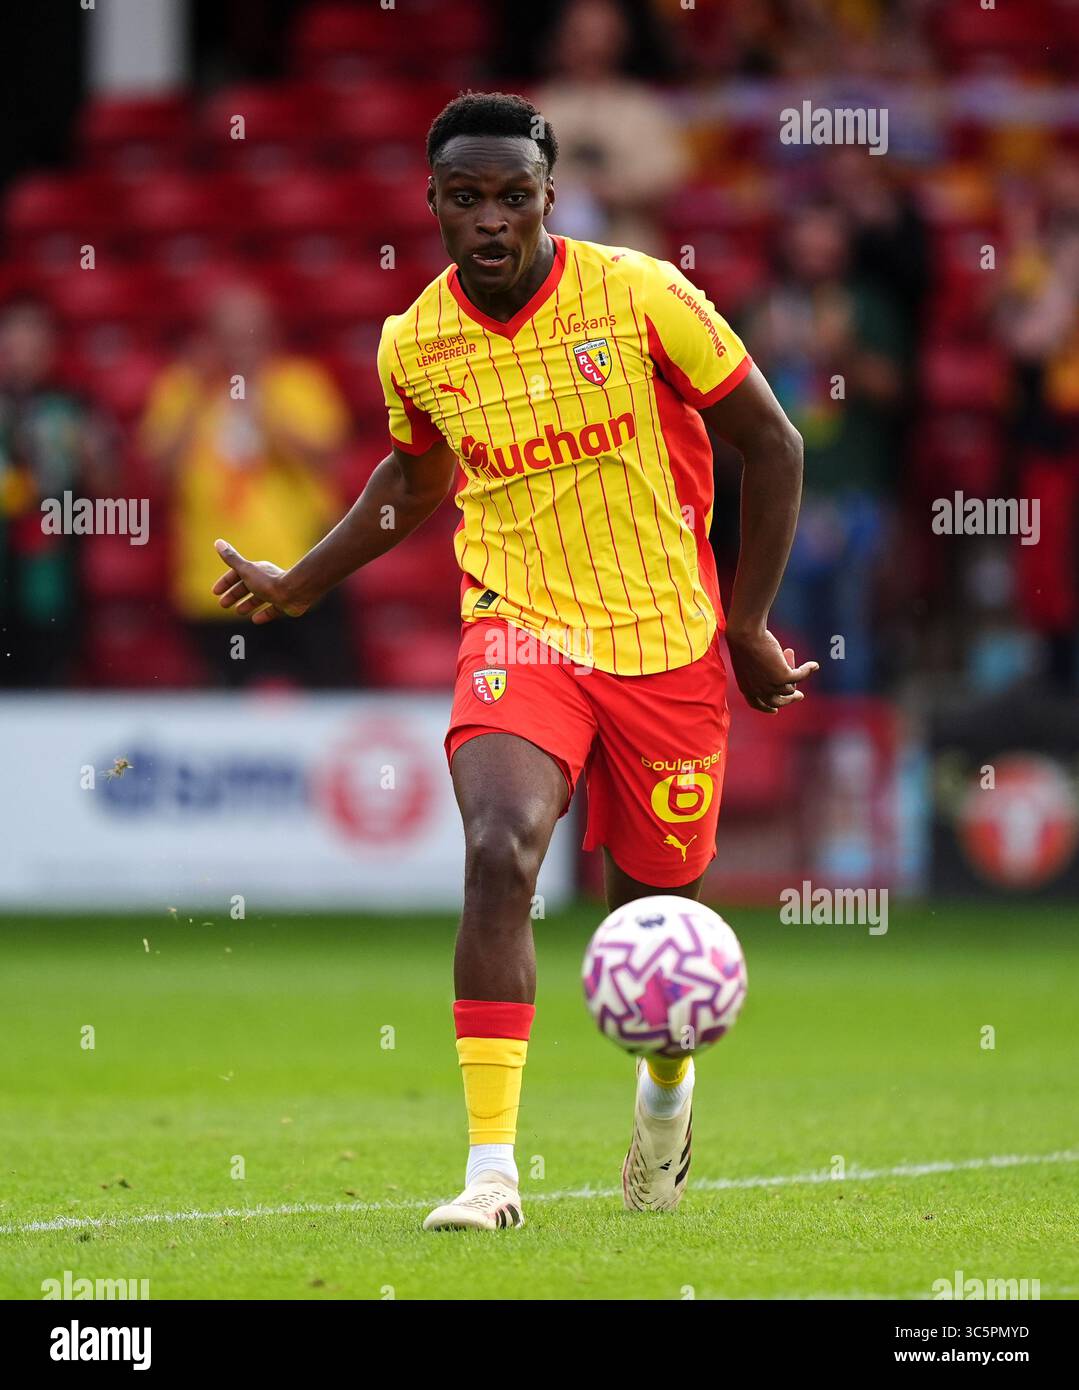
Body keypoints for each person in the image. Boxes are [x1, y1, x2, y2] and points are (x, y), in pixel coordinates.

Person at [212, 92, 815, 1230]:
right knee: (497, 849)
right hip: (517, 627)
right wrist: (301, 578)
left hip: (664, 646)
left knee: (648, 931)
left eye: (511, 197)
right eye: (464, 198)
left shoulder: (637, 294)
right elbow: (413, 480)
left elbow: (769, 443)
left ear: (547, 197)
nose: (489, 220)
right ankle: (491, 1171)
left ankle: (663, 1099)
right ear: (432, 203)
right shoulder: (415, 343)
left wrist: (742, 624)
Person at [140, 282, 353, 687]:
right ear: (209, 338)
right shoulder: (182, 389)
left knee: (323, 698)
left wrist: (258, 401)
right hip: (216, 585)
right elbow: (159, 470)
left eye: (250, 334)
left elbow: (322, 457)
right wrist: (198, 398)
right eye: (229, 335)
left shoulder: (298, 383)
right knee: (228, 708)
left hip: (302, 576)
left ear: (270, 335)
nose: (240, 346)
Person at [0, 296, 109, 687]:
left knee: (47, 680)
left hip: (53, 573)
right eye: (14, 341)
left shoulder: (74, 405)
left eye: (34, 341)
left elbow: (106, 483)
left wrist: (89, 454)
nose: (23, 353)